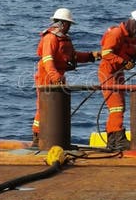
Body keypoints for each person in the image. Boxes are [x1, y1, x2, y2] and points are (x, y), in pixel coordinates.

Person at [32, 8, 99, 144]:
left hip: (57, 77)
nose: (69, 27)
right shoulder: (50, 38)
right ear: (62, 23)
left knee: (56, 108)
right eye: (68, 24)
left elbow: (72, 56)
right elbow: (48, 62)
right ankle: (38, 138)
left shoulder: (62, 38)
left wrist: (91, 56)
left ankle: (53, 137)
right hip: (47, 78)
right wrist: (56, 78)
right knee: (44, 108)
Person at [98, 9, 136, 150]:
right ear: (133, 23)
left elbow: (135, 52)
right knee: (117, 106)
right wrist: (123, 62)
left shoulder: (132, 38)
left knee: (118, 107)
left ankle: (112, 141)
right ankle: (119, 139)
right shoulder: (116, 34)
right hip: (107, 73)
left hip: (118, 74)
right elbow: (106, 53)